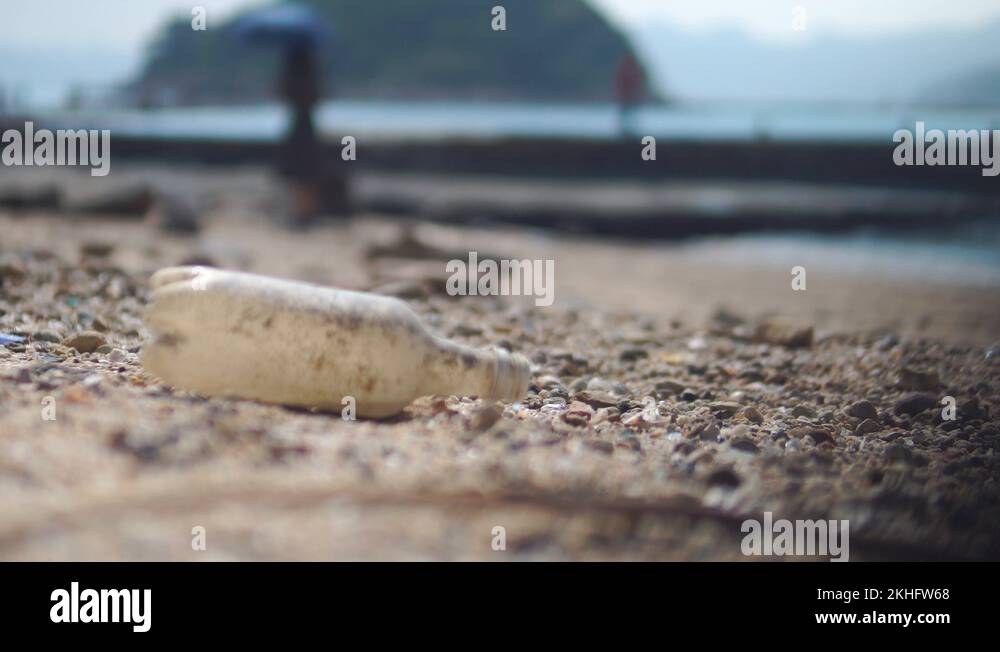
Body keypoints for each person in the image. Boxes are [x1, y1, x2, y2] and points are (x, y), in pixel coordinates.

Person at [615, 52, 646, 138]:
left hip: (630, 99)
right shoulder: (626, 69)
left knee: (631, 117)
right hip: (626, 100)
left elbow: (638, 83)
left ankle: (629, 133)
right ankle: (626, 133)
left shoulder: (632, 69)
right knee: (626, 117)